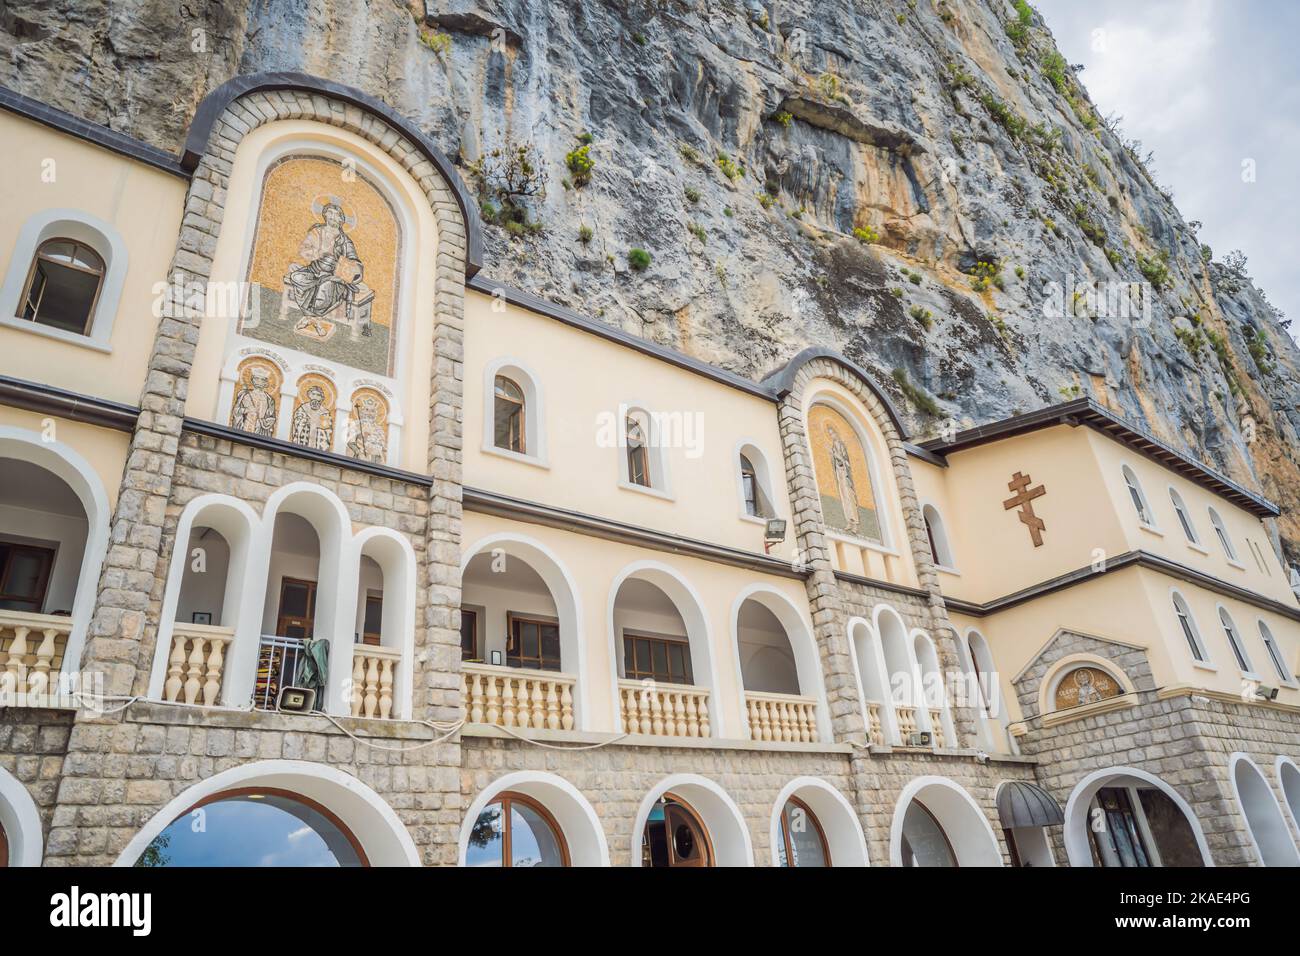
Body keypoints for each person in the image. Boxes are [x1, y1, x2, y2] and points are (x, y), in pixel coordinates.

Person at [285, 202, 365, 335]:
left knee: (324, 289)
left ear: (341, 220)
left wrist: (350, 269)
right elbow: (304, 249)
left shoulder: (344, 240)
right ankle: (313, 319)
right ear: (325, 215)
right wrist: (318, 254)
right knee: (296, 277)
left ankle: (310, 319)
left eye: (336, 215)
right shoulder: (317, 232)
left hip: (333, 277)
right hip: (314, 270)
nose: (332, 217)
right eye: (330, 213)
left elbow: (355, 261)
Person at [230, 366, 278, 437]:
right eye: (256, 378)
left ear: (265, 383)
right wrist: (247, 410)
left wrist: (262, 422)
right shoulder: (244, 394)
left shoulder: (269, 399)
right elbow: (236, 410)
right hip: (245, 426)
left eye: (262, 379)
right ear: (252, 380)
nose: (259, 381)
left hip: (260, 431)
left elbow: (272, 417)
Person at [291, 385, 333, 450]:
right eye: (313, 394)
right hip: (304, 440)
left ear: (321, 398)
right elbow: (297, 421)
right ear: (309, 395)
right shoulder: (303, 408)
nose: (315, 397)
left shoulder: (324, 412)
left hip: (317, 442)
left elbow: (327, 429)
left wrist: (318, 424)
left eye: (318, 395)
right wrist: (303, 421)